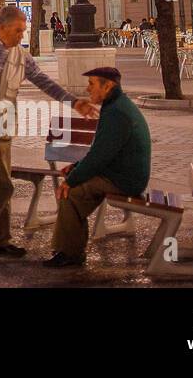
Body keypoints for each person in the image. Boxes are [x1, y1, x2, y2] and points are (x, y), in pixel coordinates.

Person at [0, 6, 97, 260]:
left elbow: (44, 82)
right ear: (1, 28)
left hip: (0, 121)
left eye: (23, 31)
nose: (21, 36)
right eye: (18, 31)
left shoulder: (21, 56)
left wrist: (73, 101)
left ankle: (0, 241)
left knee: (2, 182)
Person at [44, 66, 152, 268]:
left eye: (92, 84)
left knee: (71, 193)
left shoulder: (116, 113)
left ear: (108, 85)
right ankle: (70, 249)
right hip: (122, 174)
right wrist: (76, 167)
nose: (87, 89)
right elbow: (101, 152)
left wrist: (72, 179)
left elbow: (99, 156)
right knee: (74, 190)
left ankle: (70, 252)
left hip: (124, 180)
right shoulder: (117, 106)